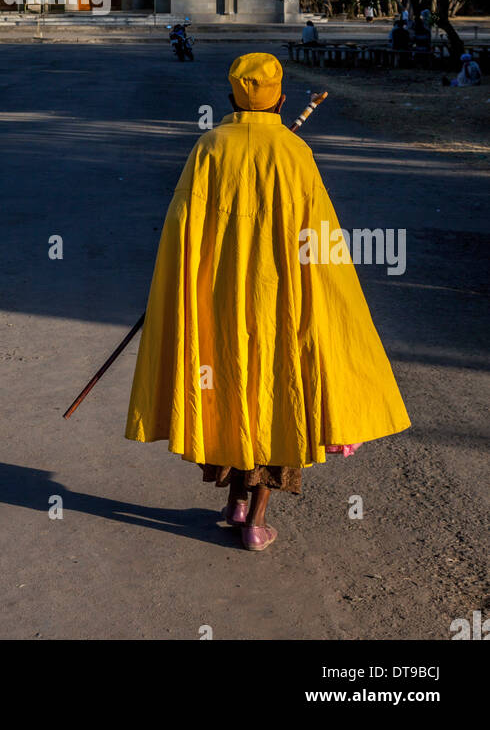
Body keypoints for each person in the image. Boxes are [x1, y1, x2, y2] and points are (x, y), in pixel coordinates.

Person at [125, 53, 410, 552]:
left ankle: (236, 501)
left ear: (232, 96)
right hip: (283, 305)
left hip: (221, 303)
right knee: (277, 402)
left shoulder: (210, 146)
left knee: (230, 392)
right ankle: (255, 521)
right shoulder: (294, 152)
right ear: (279, 99)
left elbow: (182, 230)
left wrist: (176, 286)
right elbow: (320, 238)